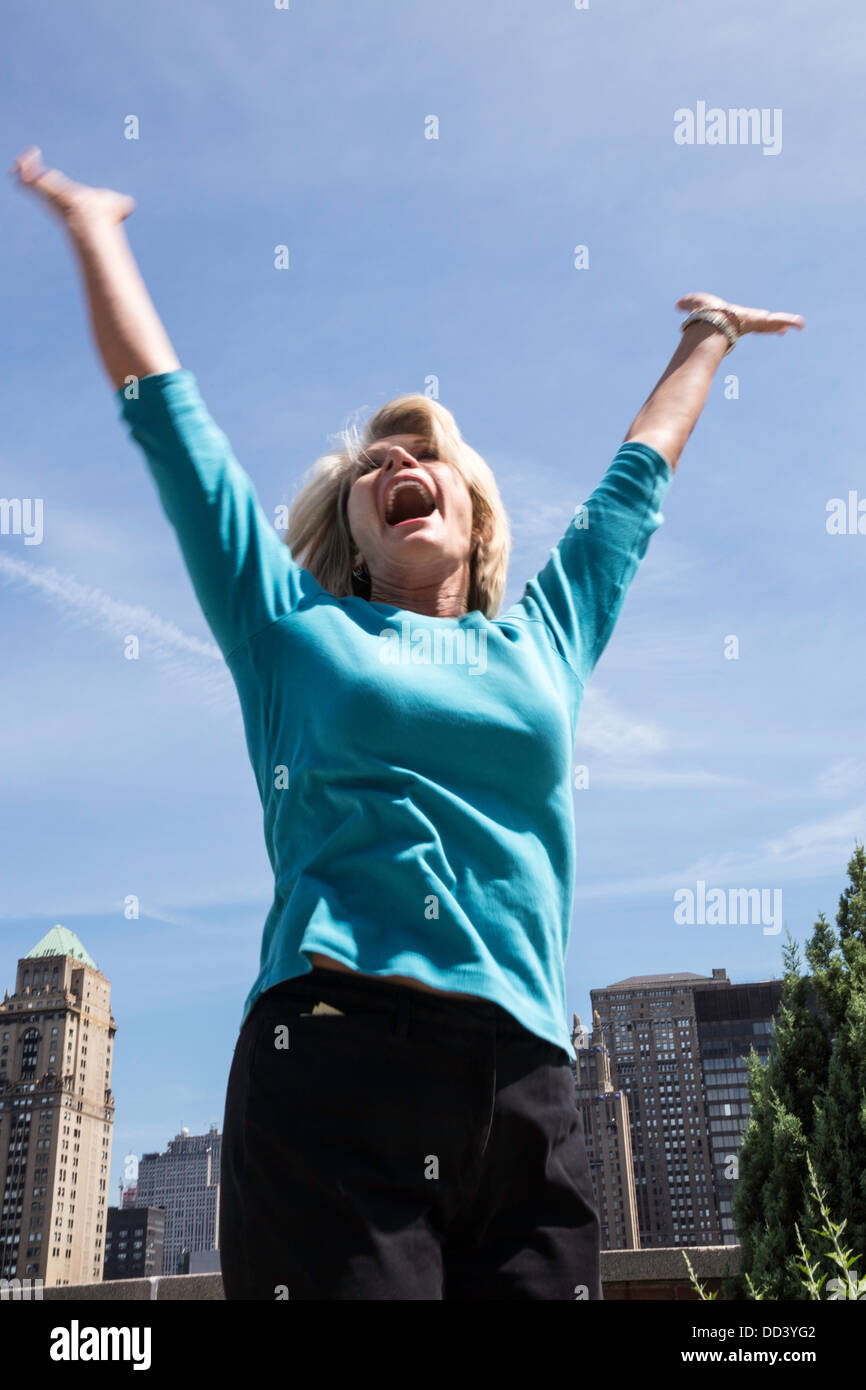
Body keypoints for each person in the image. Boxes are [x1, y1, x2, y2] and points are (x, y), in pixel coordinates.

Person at [10, 146, 803, 1300]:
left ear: (474, 513)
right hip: (332, 1065)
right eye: (373, 467)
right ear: (356, 531)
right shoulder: (293, 631)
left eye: (423, 452)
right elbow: (174, 431)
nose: (397, 463)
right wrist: (95, 231)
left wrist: (707, 337)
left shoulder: (542, 637)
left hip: (528, 1092)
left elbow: (633, 487)